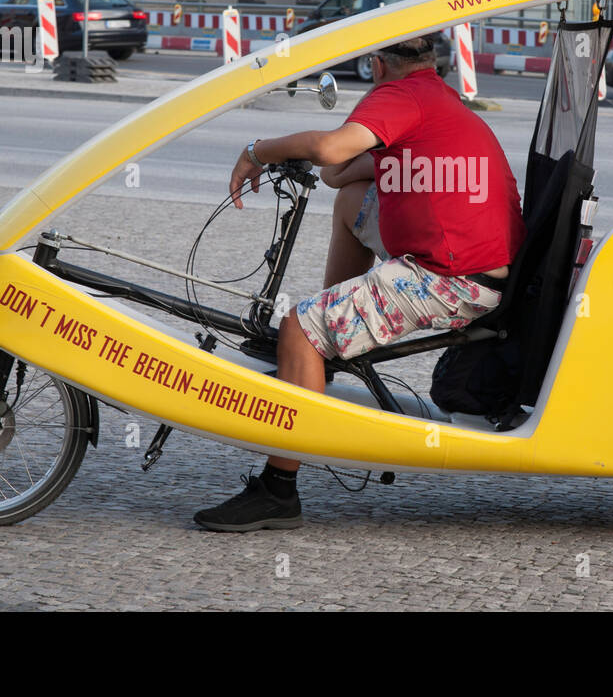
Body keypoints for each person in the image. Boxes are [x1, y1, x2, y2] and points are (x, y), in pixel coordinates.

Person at [195, 35, 526, 532]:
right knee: (354, 202)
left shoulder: (399, 97)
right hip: (478, 264)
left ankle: (278, 490)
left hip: (452, 279)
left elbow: (328, 148)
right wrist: (359, 124)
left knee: (299, 328)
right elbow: (337, 174)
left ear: (376, 63)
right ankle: (326, 345)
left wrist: (256, 151)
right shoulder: (436, 98)